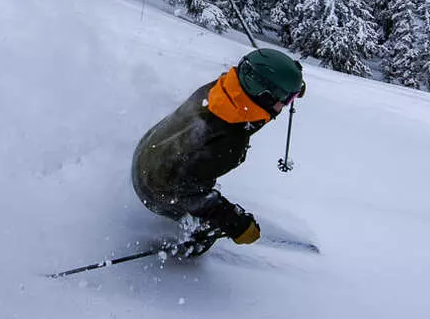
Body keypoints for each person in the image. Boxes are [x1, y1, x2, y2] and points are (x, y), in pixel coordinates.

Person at [131, 48, 306, 259]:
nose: (288, 105)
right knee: (205, 217)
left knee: (193, 175)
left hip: (149, 150)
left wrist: (289, 82)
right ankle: (190, 242)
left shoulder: (224, 90)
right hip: (154, 188)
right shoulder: (230, 140)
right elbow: (184, 188)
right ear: (265, 96)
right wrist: (231, 220)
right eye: (287, 99)